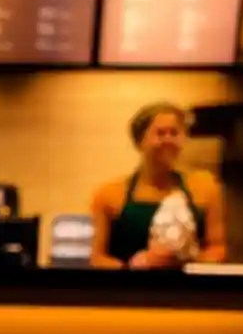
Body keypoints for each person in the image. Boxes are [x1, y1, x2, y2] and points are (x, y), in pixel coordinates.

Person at [90, 102, 228, 269]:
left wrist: (187, 259)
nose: (168, 140)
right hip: (130, 292)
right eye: (160, 133)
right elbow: (97, 258)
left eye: (175, 133)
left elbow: (218, 249)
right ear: (140, 140)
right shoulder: (108, 194)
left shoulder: (206, 188)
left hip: (189, 292)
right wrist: (132, 267)